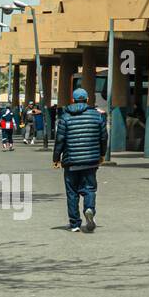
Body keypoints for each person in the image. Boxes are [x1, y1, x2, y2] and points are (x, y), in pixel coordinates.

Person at [52, 87, 107, 233]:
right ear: (87, 99)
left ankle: (75, 224)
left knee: (72, 192)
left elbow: (60, 140)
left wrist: (56, 158)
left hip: (71, 161)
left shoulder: (65, 117)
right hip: (91, 160)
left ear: (73, 99)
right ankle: (89, 209)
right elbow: (103, 137)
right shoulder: (97, 116)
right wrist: (102, 154)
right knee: (89, 188)